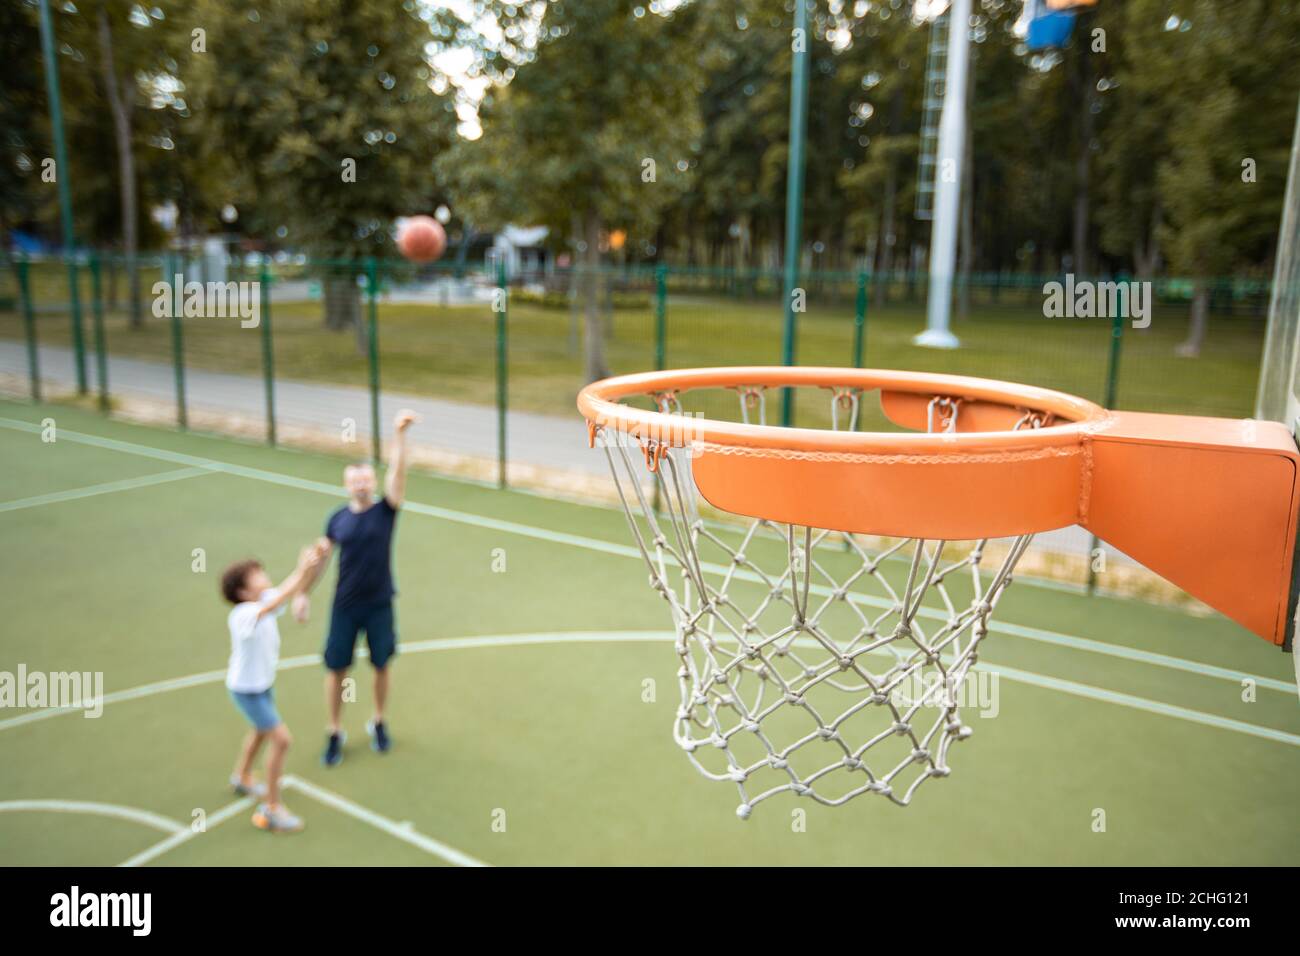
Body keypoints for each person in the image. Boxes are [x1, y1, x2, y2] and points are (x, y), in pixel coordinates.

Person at [296, 410, 418, 766]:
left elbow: (398, 474)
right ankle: (335, 730)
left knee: (381, 665)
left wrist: (398, 436)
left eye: (367, 479)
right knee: (337, 669)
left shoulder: (386, 510)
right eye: (356, 480)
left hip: (380, 603)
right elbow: (319, 560)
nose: (362, 485)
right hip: (345, 606)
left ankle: (378, 720)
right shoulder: (337, 520)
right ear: (346, 484)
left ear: (373, 482)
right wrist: (303, 592)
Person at [221, 544, 324, 833]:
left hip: (262, 685)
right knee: (281, 740)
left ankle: (241, 778)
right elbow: (276, 600)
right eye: (255, 574)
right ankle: (271, 809)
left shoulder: (265, 598)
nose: (262, 575)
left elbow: (290, 588)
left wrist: (309, 566)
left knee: (261, 731)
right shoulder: (242, 614)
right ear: (242, 592)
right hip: (247, 690)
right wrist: (302, 570)